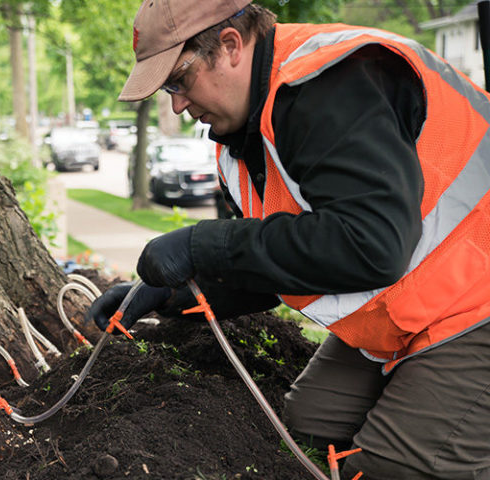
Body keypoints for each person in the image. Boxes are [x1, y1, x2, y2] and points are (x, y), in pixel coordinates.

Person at [85, 1, 490, 479]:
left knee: (393, 466)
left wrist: (204, 244)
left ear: (231, 46)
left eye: (179, 80)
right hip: (422, 302)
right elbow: (288, 259)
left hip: (477, 302)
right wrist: (172, 295)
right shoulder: (245, 137)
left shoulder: (329, 85)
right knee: (309, 426)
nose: (176, 104)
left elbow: (371, 246)